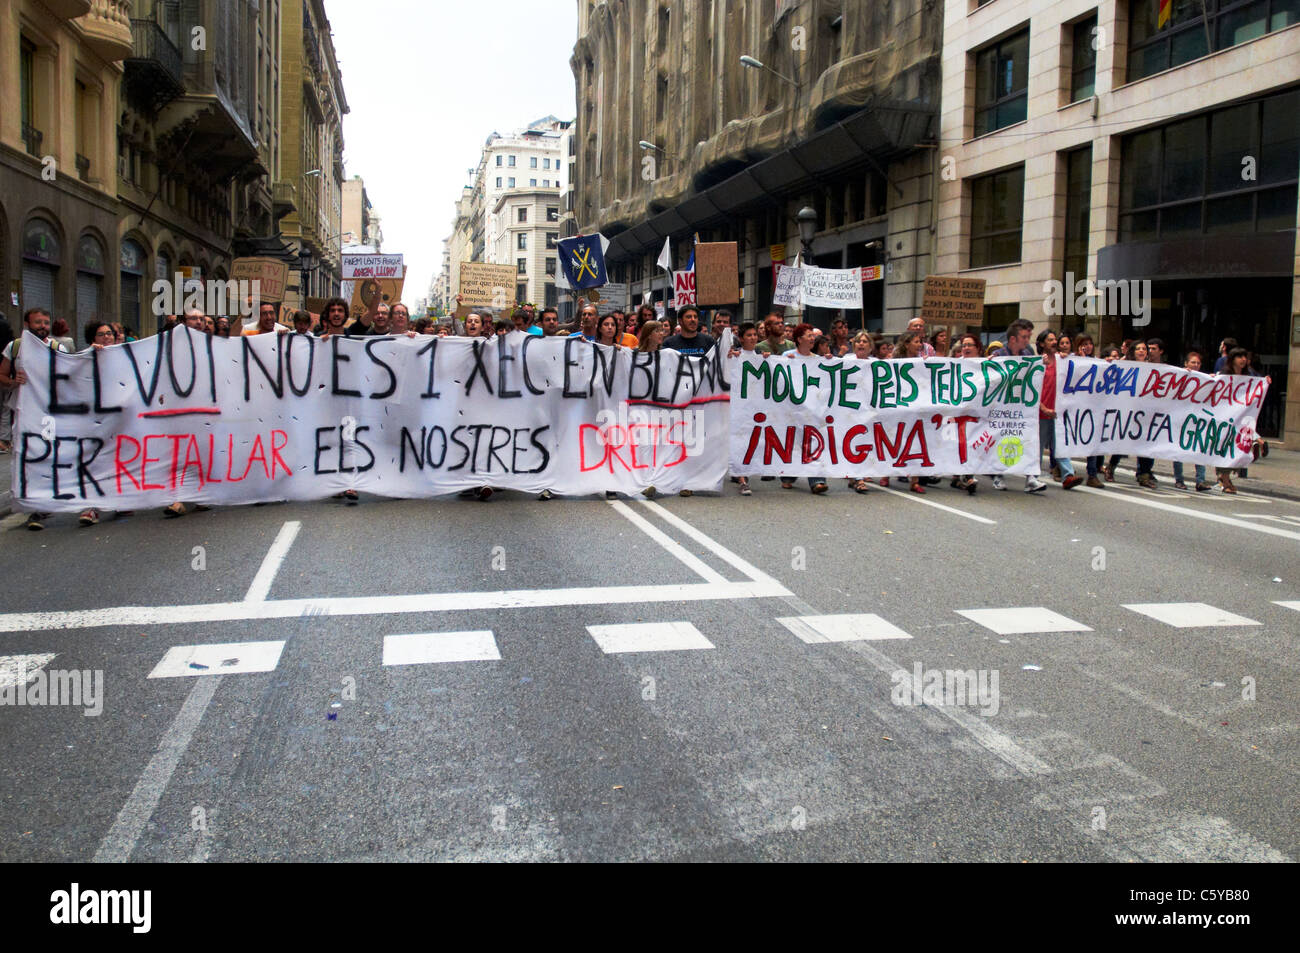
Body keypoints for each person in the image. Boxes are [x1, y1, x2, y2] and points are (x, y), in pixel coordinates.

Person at [0, 309, 68, 526]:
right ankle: (35, 502)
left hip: (50, 415)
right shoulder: (15, 348)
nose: (43, 326)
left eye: (46, 322)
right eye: (38, 322)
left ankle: (43, 504)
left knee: (47, 455)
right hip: (24, 415)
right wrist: (12, 380)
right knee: (27, 457)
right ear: (27, 324)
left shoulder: (57, 348)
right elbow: (1, 375)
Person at [989, 319, 1048, 493]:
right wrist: (988, 363)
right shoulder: (999, 355)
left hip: (1022, 408)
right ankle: (998, 475)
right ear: (1013, 339)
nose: (1027, 340)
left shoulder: (1028, 354)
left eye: (1029, 336)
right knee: (1001, 439)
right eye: (1024, 337)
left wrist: (1040, 363)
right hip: (1001, 407)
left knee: (1028, 439)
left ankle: (1031, 478)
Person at [777, 324, 829, 495]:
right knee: (793, 441)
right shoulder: (788, 356)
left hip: (812, 409)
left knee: (813, 439)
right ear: (799, 339)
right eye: (808, 335)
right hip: (792, 408)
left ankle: (817, 480)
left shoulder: (817, 359)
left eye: (813, 336)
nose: (812, 338)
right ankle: (789, 475)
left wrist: (830, 362)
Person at [1171, 350, 1212, 491]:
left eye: (1198, 363)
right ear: (1186, 363)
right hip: (1181, 418)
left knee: (1199, 448)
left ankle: (1200, 481)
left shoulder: (1205, 378)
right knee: (1179, 450)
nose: (1196, 365)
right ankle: (1179, 479)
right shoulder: (1180, 375)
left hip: (1197, 419)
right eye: (1193, 362)